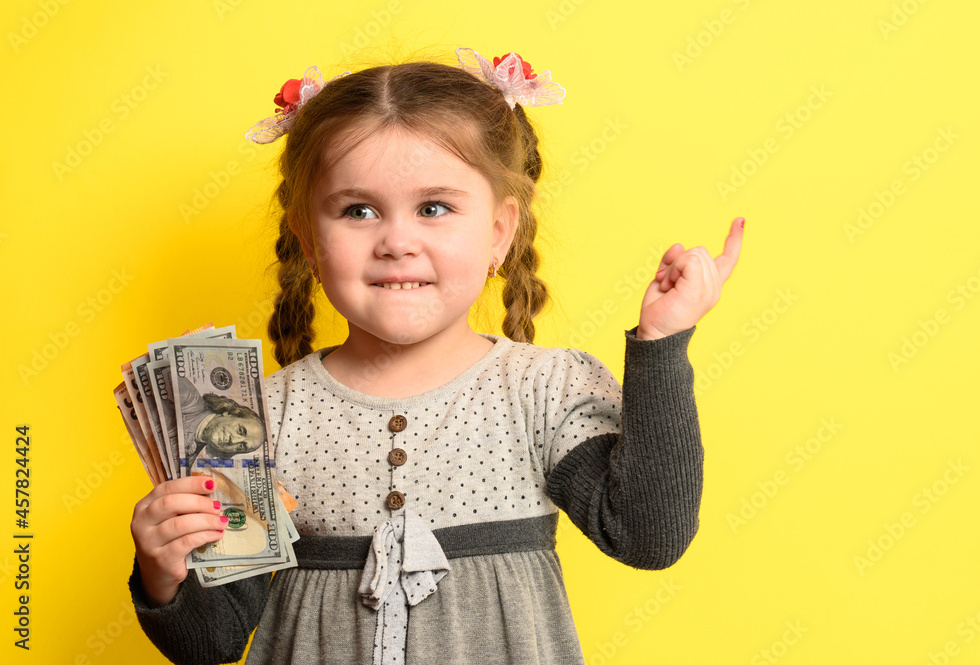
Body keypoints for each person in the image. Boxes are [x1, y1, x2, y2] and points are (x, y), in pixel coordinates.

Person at [128, 48, 743, 665]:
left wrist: (661, 349)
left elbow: (648, 536)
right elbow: (212, 644)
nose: (398, 241)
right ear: (309, 237)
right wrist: (164, 571)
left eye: (434, 208)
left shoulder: (543, 391)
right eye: (358, 211)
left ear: (500, 231)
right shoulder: (255, 419)